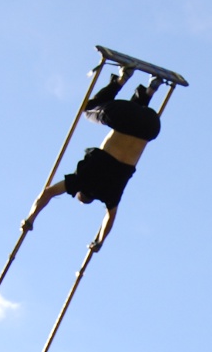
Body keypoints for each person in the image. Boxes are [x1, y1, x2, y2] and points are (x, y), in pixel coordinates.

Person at [21, 66, 163, 250]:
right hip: (124, 117)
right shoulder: (81, 180)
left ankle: (151, 89)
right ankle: (121, 79)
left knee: (132, 117)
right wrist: (30, 219)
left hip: (151, 126)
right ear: (78, 191)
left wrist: (99, 241)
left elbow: (109, 219)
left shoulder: (111, 194)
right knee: (89, 108)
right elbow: (47, 193)